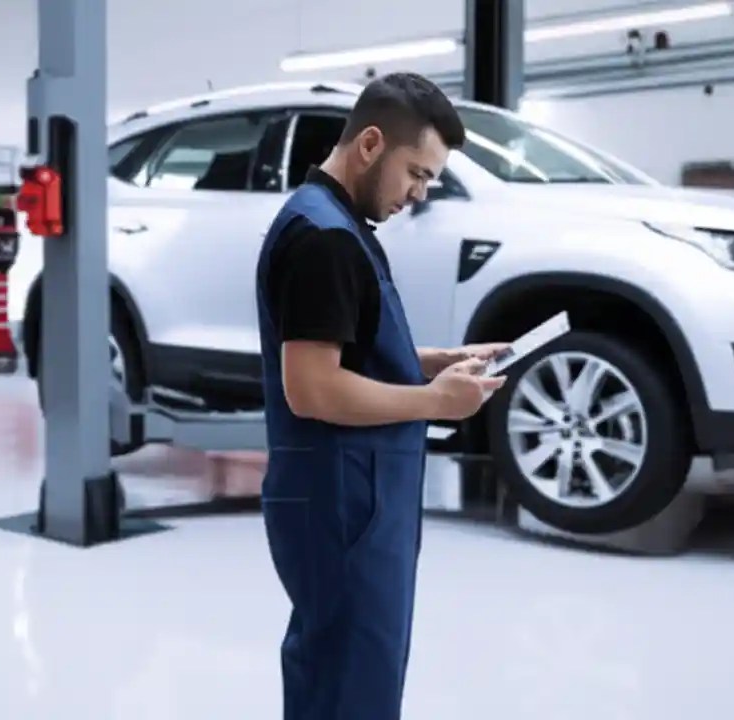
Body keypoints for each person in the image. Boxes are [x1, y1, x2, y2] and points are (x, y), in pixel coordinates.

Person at [253, 72, 509, 720]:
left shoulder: (332, 221)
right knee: (351, 687)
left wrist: (434, 362)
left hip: (346, 499)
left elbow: (346, 345)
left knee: (342, 674)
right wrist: (436, 402)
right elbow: (311, 387)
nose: (418, 195)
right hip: (345, 506)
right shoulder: (326, 240)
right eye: (416, 173)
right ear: (370, 144)